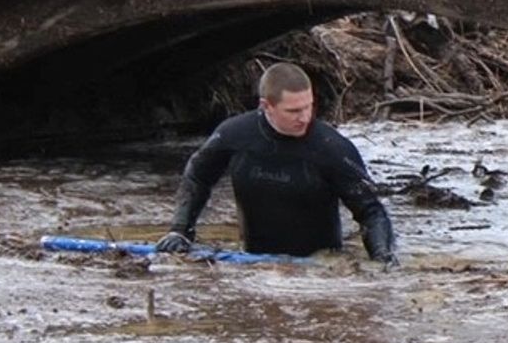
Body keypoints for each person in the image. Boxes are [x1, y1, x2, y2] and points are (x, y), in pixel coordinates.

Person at [155, 62, 397, 264]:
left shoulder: (332, 148)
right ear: (266, 106)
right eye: (293, 111)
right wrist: (180, 230)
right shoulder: (235, 134)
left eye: (308, 106)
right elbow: (197, 176)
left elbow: (371, 211)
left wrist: (382, 260)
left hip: (317, 269)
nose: (305, 118)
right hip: (252, 263)